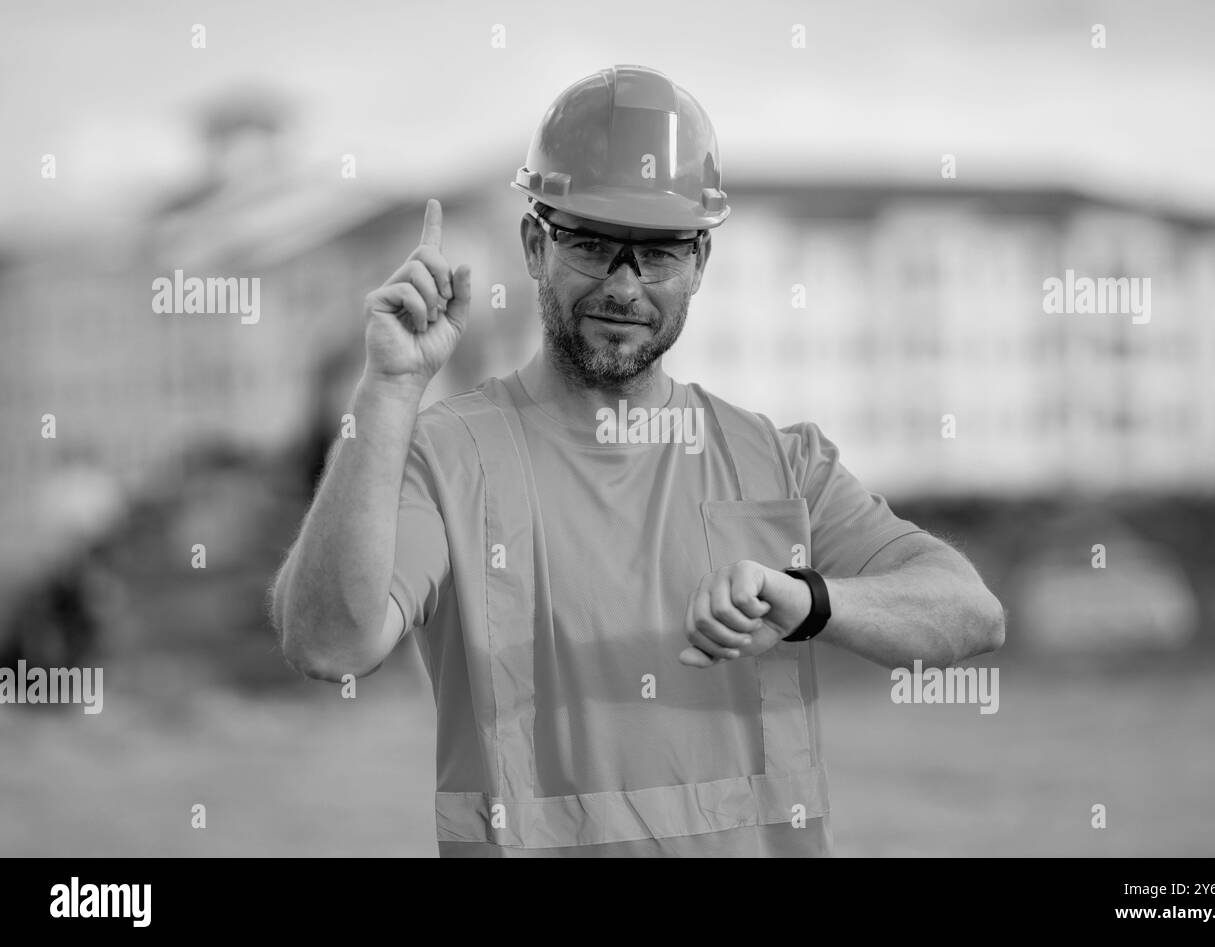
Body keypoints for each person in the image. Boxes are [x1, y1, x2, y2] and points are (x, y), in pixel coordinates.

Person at [270, 64, 1004, 857]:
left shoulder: (778, 462)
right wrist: (387, 391)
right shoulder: (445, 457)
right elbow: (329, 645)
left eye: (657, 253)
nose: (625, 285)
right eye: (591, 244)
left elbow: (970, 612)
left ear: (699, 264)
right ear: (533, 246)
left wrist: (812, 600)